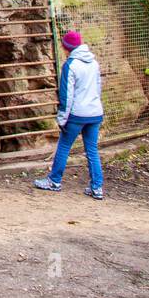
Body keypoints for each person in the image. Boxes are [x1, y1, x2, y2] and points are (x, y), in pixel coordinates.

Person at [32, 30, 104, 199]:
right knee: (92, 150)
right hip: (95, 112)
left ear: (68, 48)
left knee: (64, 146)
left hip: (77, 114)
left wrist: (62, 118)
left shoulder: (70, 65)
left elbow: (66, 95)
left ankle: (54, 181)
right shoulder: (94, 63)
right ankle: (97, 187)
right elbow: (98, 88)